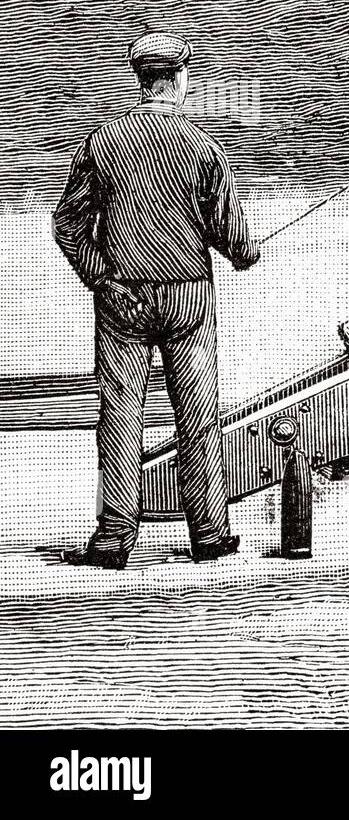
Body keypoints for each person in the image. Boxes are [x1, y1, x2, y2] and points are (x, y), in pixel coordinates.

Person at [52, 32, 260, 569]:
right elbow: (230, 236)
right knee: (198, 419)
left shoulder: (102, 141)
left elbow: (68, 223)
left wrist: (102, 277)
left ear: (140, 79)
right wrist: (246, 252)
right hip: (189, 297)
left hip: (121, 295)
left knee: (121, 416)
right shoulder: (205, 146)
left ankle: (113, 540)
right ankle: (210, 535)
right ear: (182, 79)